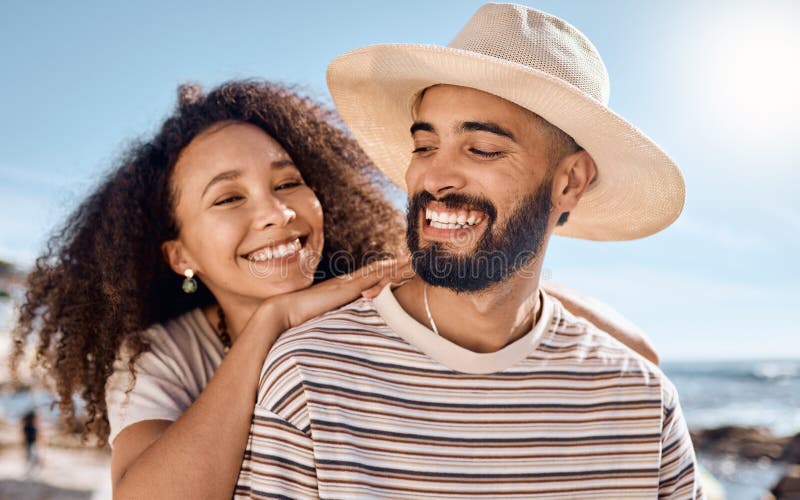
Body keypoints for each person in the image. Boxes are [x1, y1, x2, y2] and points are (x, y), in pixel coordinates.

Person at [11, 80, 656, 499]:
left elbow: (636, 355)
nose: (275, 213)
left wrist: (527, 292)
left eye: (288, 183)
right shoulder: (162, 355)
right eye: (229, 198)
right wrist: (270, 324)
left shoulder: (370, 286)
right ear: (179, 254)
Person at [235, 4, 701, 499]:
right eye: (424, 146)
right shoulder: (309, 374)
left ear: (569, 182)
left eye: (481, 149)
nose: (433, 178)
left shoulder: (643, 402)